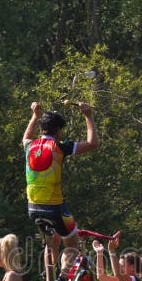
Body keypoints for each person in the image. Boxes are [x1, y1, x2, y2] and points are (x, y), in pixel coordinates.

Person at [22, 101, 99, 257]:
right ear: (58, 130)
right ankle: (64, 273)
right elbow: (93, 143)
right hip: (55, 208)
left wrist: (35, 116)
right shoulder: (60, 146)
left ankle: (49, 273)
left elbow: (26, 137)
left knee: (51, 243)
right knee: (72, 244)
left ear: (41, 129)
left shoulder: (30, 146)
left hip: (33, 208)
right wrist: (88, 116)